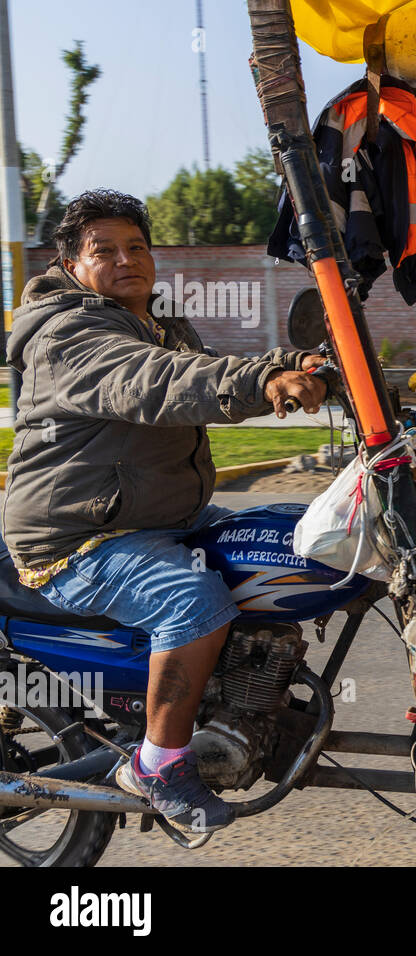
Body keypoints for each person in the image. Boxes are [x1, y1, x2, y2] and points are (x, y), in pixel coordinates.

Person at [1, 189, 327, 833]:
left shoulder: (154, 320)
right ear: (71, 265)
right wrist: (259, 385)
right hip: (77, 536)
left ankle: (245, 701)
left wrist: (291, 364)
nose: (127, 260)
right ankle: (157, 763)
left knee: (302, 535)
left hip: (153, 518)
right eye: (106, 251)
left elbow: (199, 366)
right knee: (192, 602)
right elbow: (156, 382)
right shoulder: (68, 333)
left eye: (138, 246)